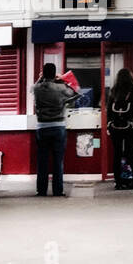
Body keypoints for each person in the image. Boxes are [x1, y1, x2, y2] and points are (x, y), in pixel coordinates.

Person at [32, 62, 77, 197]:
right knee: (58, 161)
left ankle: (41, 190)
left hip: (42, 127)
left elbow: (32, 87)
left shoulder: (37, 88)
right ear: (54, 74)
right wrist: (63, 79)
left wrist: (41, 78)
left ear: (43, 73)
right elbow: (75, 91)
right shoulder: (60, 88)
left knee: (42, 161)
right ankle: (58, 190)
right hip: (58, 127)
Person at [106, 67, 133, 190]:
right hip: (129, 126)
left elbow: (108, 110)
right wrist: (132, 116)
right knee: (129, 153)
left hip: (115, 127)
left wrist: (111, 122)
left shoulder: (114, 91)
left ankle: (117, 181)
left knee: (117, 154)